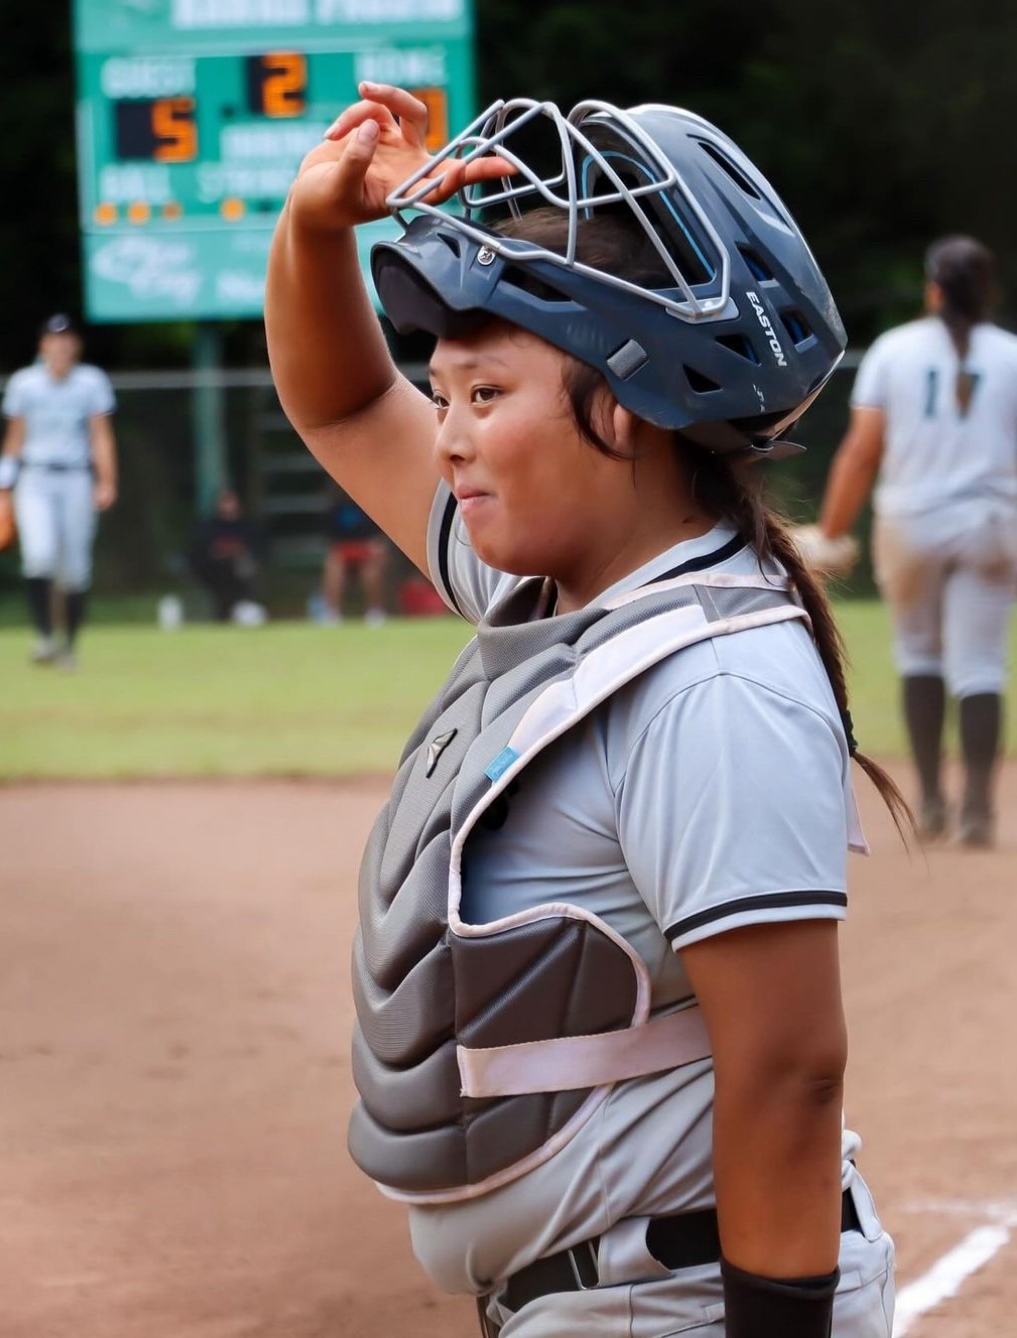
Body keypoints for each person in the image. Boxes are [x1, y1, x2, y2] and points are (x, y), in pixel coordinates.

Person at [266, 84, 908, 1338]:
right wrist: (313, 227)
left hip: (676, 1308)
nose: (446, 436)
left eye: (488, 396)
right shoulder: (558, 593)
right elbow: (341, 404)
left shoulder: (716, 681)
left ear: (625, 404)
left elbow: (789, 1073)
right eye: (443, 394)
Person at [816, 237, 1017, 847]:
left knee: (919, 655)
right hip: (992, 522)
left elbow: (861, 452)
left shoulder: (894, 352)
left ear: (933, 290)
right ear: (987, 293)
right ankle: (979, 810)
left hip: (911, 522)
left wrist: (831, 530)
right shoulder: (1011, 355)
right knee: (981, 664)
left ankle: (928, 804)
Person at [0, 313, 117, 669]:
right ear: (43, 344)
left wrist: (107, 481)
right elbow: (14, 440)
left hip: (76, 478)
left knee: (75, 569)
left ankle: (70, 646)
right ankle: (45, 637)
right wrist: (1, 488)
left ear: (76, 344)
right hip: (35, 478)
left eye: (67, 338)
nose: (61, 344)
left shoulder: (91, 382)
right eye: (54, 338)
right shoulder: (25, 384)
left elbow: (101, 436)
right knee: (40, 556)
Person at [187, 486, 267, 624]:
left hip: (241, 572)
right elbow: (198, 552)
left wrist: (239, 553)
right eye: (225, 501)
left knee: (244, 569)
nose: (228, 506)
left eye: (231, 501)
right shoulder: (207, 527)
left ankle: (241, 610)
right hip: (214, 571)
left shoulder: (249, 527)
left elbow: (260, 551)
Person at [317, 479, 389, 625]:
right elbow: (331, 541)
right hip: (343, 553)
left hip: (366, 553)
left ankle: (375, 611)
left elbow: (378, 538)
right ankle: (332, 613)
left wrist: (374, 547)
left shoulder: (370, 506)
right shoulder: (334, 509)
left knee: (371, 569)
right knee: (333, 564)